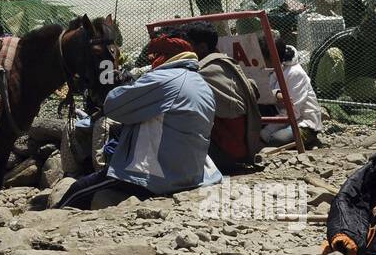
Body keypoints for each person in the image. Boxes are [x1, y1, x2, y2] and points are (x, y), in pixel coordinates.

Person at [57, 40, 218, 209]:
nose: (151, 61)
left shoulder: (164, 78)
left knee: (78, 190)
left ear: (163, 56)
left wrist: (124, 86)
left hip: (160, 176)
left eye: (154, 56)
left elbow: (112, 106)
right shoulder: (201, 83)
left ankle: (57, 214)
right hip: (194, 172)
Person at [184, 21, 262, 170]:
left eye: (187, 45)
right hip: (241, 149)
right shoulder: (225, 63)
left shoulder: (203, 72)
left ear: (201, 47)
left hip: (226, 152)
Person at [310, 12, 376, 103]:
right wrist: (311, 86)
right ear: (362, 28)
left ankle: (343, 96)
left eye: (375, 33)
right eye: (368, 32)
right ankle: (336, 94)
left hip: (350, 82)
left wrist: (375, 96)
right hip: (327, 78)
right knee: (334, 53)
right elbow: (316, 55)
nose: (370, 37)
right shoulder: (344, 37)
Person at [262, 40, 323, 147]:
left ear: (271, 58)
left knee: (275, 140)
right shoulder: (273, 70)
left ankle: (309, 139)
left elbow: (293, 112)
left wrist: (265, 132)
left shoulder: (295, 73)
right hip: (280, 115)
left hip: (302, 122)